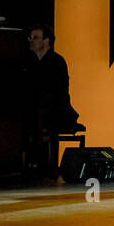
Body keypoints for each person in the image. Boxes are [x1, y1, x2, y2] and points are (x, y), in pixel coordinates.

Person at [23, 23, 84, 175]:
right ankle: (29, 161)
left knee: (39, 108)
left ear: (46, 41)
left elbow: (57, 93)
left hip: (57, 110)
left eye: (35, 37)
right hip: (38, 109)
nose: (31, 40)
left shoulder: (57, 62)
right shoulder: (28, 62)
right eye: (30, 37)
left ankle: (41, 163)